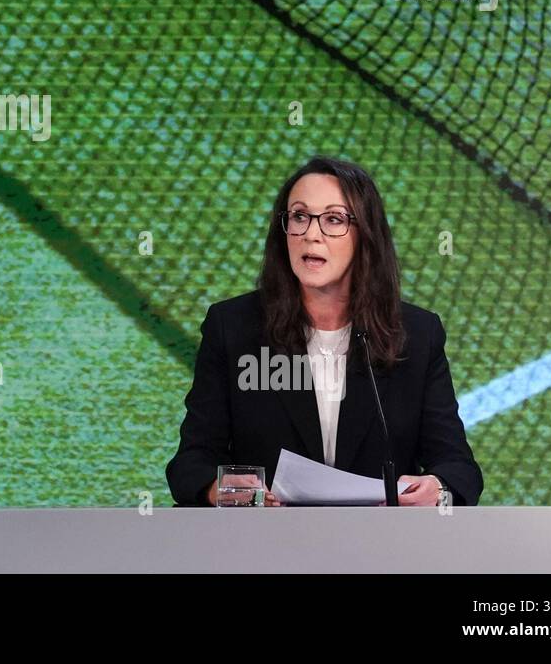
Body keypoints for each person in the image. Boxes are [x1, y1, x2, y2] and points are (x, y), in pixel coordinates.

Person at [166, 156, 483, 507]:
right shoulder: (234, 327)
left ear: (365, 234)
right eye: (299, 217)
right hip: (266, 549)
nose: (311, 235)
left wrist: (438, 489)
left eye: (333, 220)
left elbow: (458, 467)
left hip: (380, 550)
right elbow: (190, 463)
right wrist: (217, 488)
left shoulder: (417, 334)